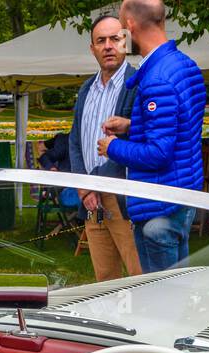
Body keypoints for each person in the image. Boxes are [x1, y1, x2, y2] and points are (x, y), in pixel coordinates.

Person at [97, 0, 205, 273]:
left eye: (121, 30)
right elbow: (178, 130)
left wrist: (113, 147)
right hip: (180, 197)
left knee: (163, 303)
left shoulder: (157, 79)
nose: (119, 39)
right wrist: (133, 126)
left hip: (160, 208)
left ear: (131, 26)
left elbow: (159, 153)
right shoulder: (184, 64)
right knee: (178, 293)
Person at [68, 12, 141, 282]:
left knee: (139, 275)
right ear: (93, 48)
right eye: (101, 40)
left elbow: (146, 137)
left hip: (123, 197)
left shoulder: (138, 84)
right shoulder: (86, 89)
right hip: (91, 199)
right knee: (105, 281)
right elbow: (74, 141)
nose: (108, 46)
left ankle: (145, 324)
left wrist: (99, 183)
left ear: (126, 42)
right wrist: (84, 187)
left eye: (115, 38)